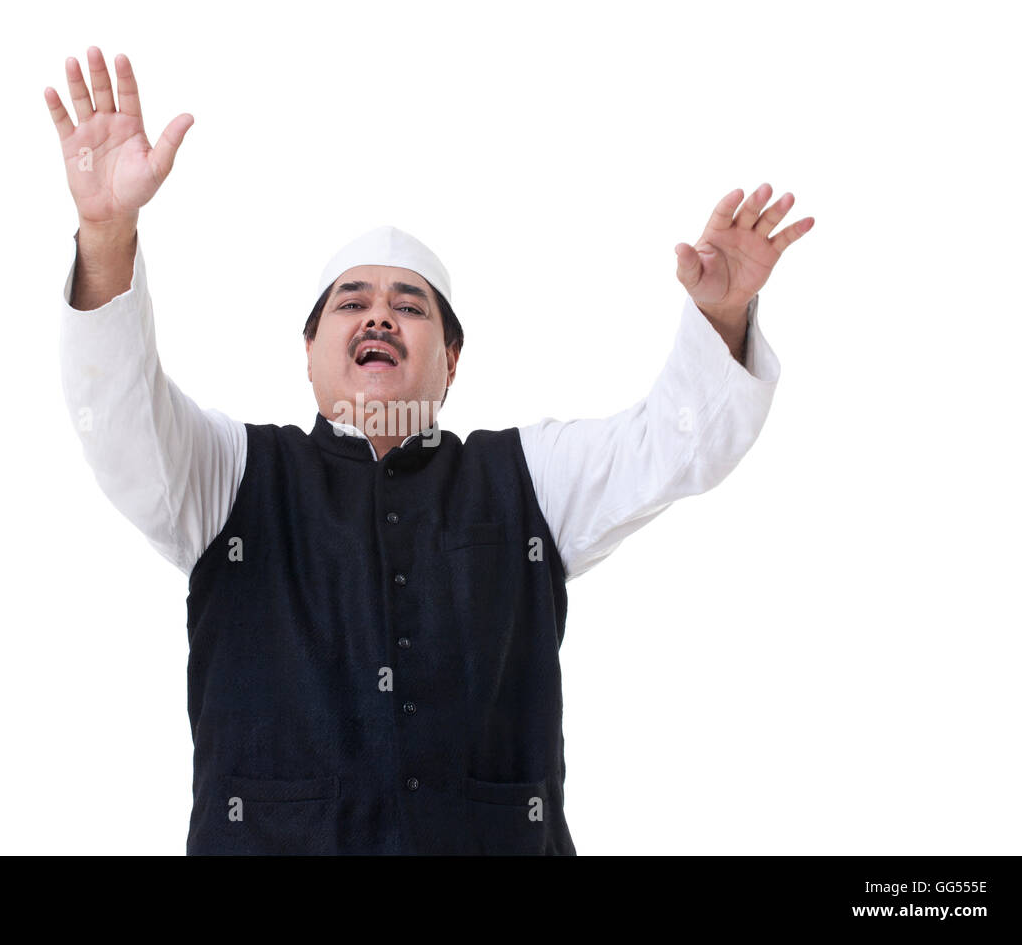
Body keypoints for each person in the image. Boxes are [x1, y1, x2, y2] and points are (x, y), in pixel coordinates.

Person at [44, 47, 814, 855]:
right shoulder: (226, 477)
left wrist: (722, 317)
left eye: (408, 306)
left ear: (450, 361)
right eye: (353, 303)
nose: (379, 317)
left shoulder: (530, 479)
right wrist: (107, 231)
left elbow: (673, 447)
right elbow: (117, 410)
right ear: (308, 353)